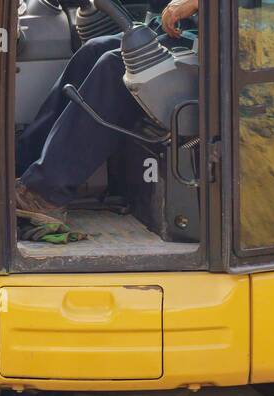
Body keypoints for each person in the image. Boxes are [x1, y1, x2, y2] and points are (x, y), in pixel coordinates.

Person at [14, 0, 200, 227]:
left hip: (217, 47)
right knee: (94, 49)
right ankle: (22, 166)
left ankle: (44, 194)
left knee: (114, 68)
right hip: (183, 30)